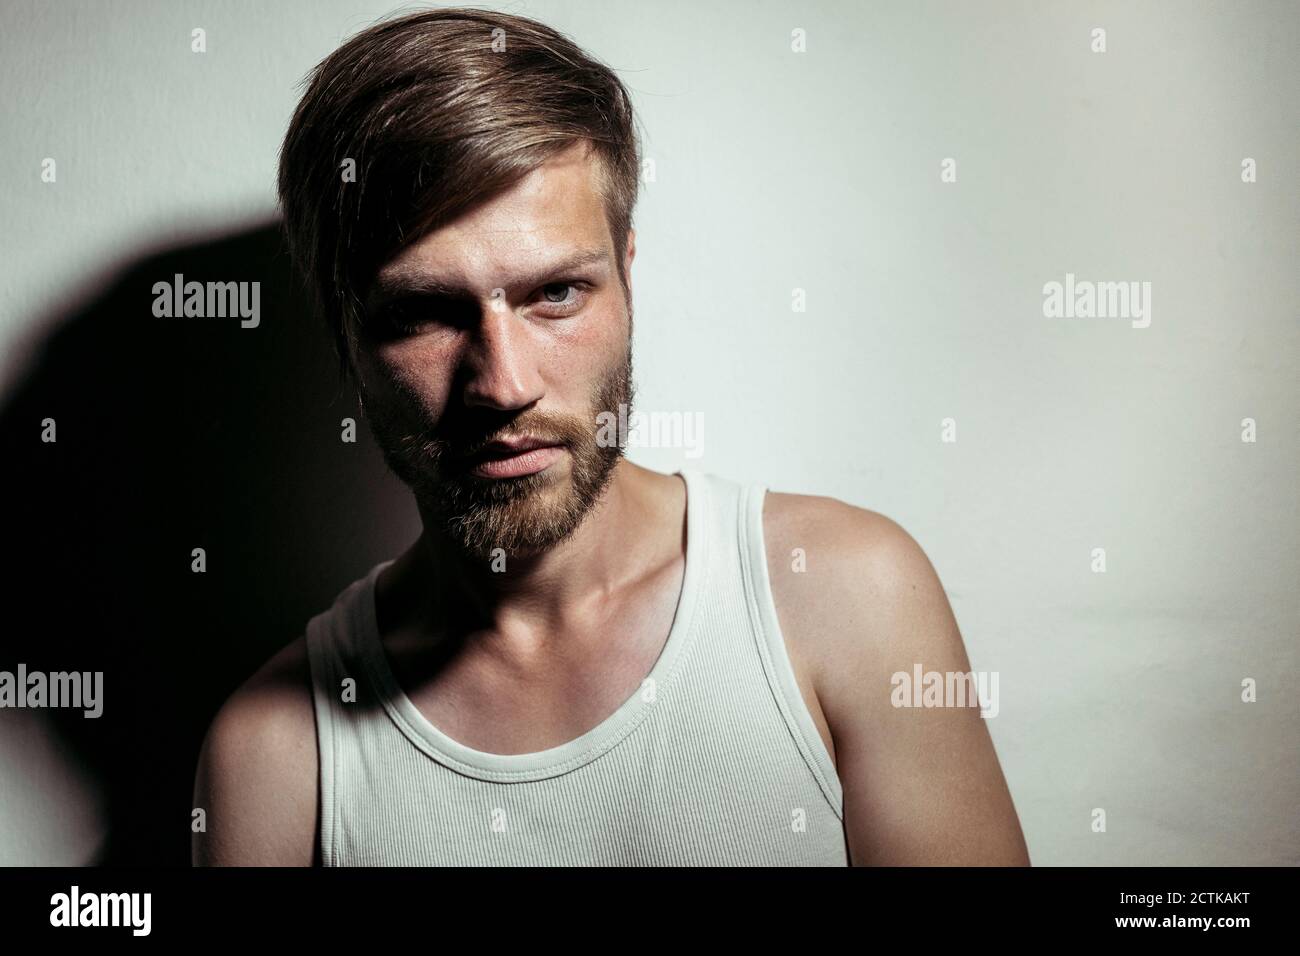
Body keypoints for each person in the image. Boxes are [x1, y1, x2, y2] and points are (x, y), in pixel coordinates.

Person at [192, 6, 1030, 866]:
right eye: (424, 313)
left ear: (627, 277)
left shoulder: (847, 599)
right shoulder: (275, 756)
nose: (504, 385)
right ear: (345, 337)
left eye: (555, 293)